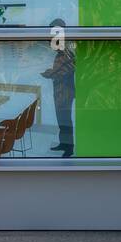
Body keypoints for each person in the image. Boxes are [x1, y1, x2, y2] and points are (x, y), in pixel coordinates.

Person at [40, 19, 75, 157]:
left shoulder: (67, 52)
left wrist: (50, 74)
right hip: (60, 92)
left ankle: (69, 148)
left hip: (65, 93)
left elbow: (68, 69)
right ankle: (64, 144)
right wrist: (52, 72)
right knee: (62, 120)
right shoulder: (61, 52)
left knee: (65, 121)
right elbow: (61, 69)